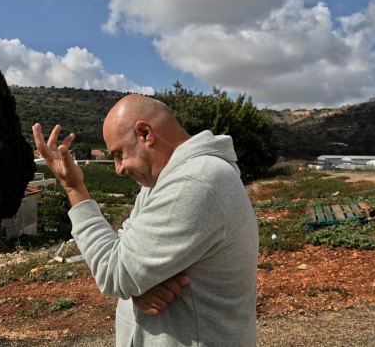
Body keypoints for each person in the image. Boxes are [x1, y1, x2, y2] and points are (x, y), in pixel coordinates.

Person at [32, 94, 258, 346]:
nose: (117, 169)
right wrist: (137, 284)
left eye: (119, 153)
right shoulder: (162, 181)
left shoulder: (194, 182)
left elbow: (114, 271)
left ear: (145, 133)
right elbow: (126, 253)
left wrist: (74, 188)